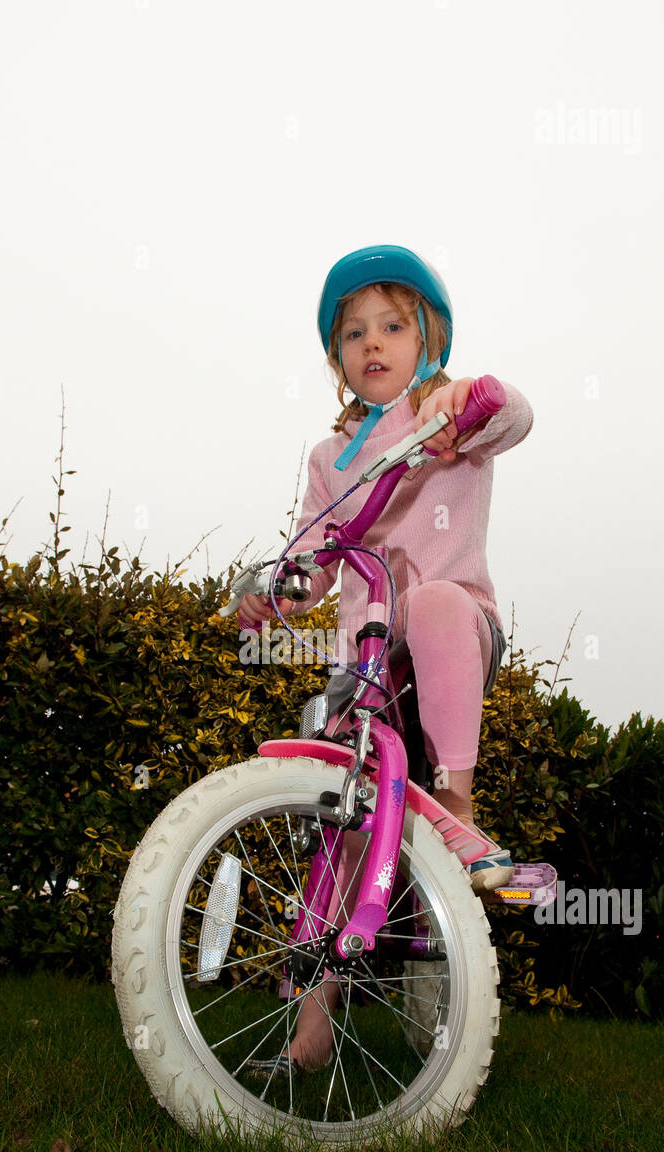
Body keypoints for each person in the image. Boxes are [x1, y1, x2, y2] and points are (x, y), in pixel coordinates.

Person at [237, 245, 533, 1073]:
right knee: (336, 825)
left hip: (449, 632)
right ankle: (311, 1029)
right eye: (354, 333)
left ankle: (458, 800)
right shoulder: (332, 459)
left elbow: (515, 413)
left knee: (434, 603)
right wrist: (274, 593)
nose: (373, 343)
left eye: (393, 326)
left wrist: (475, 403)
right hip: (366, 661)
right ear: (338, 360)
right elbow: (311, 556)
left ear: (428, 336)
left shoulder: (449, 419)